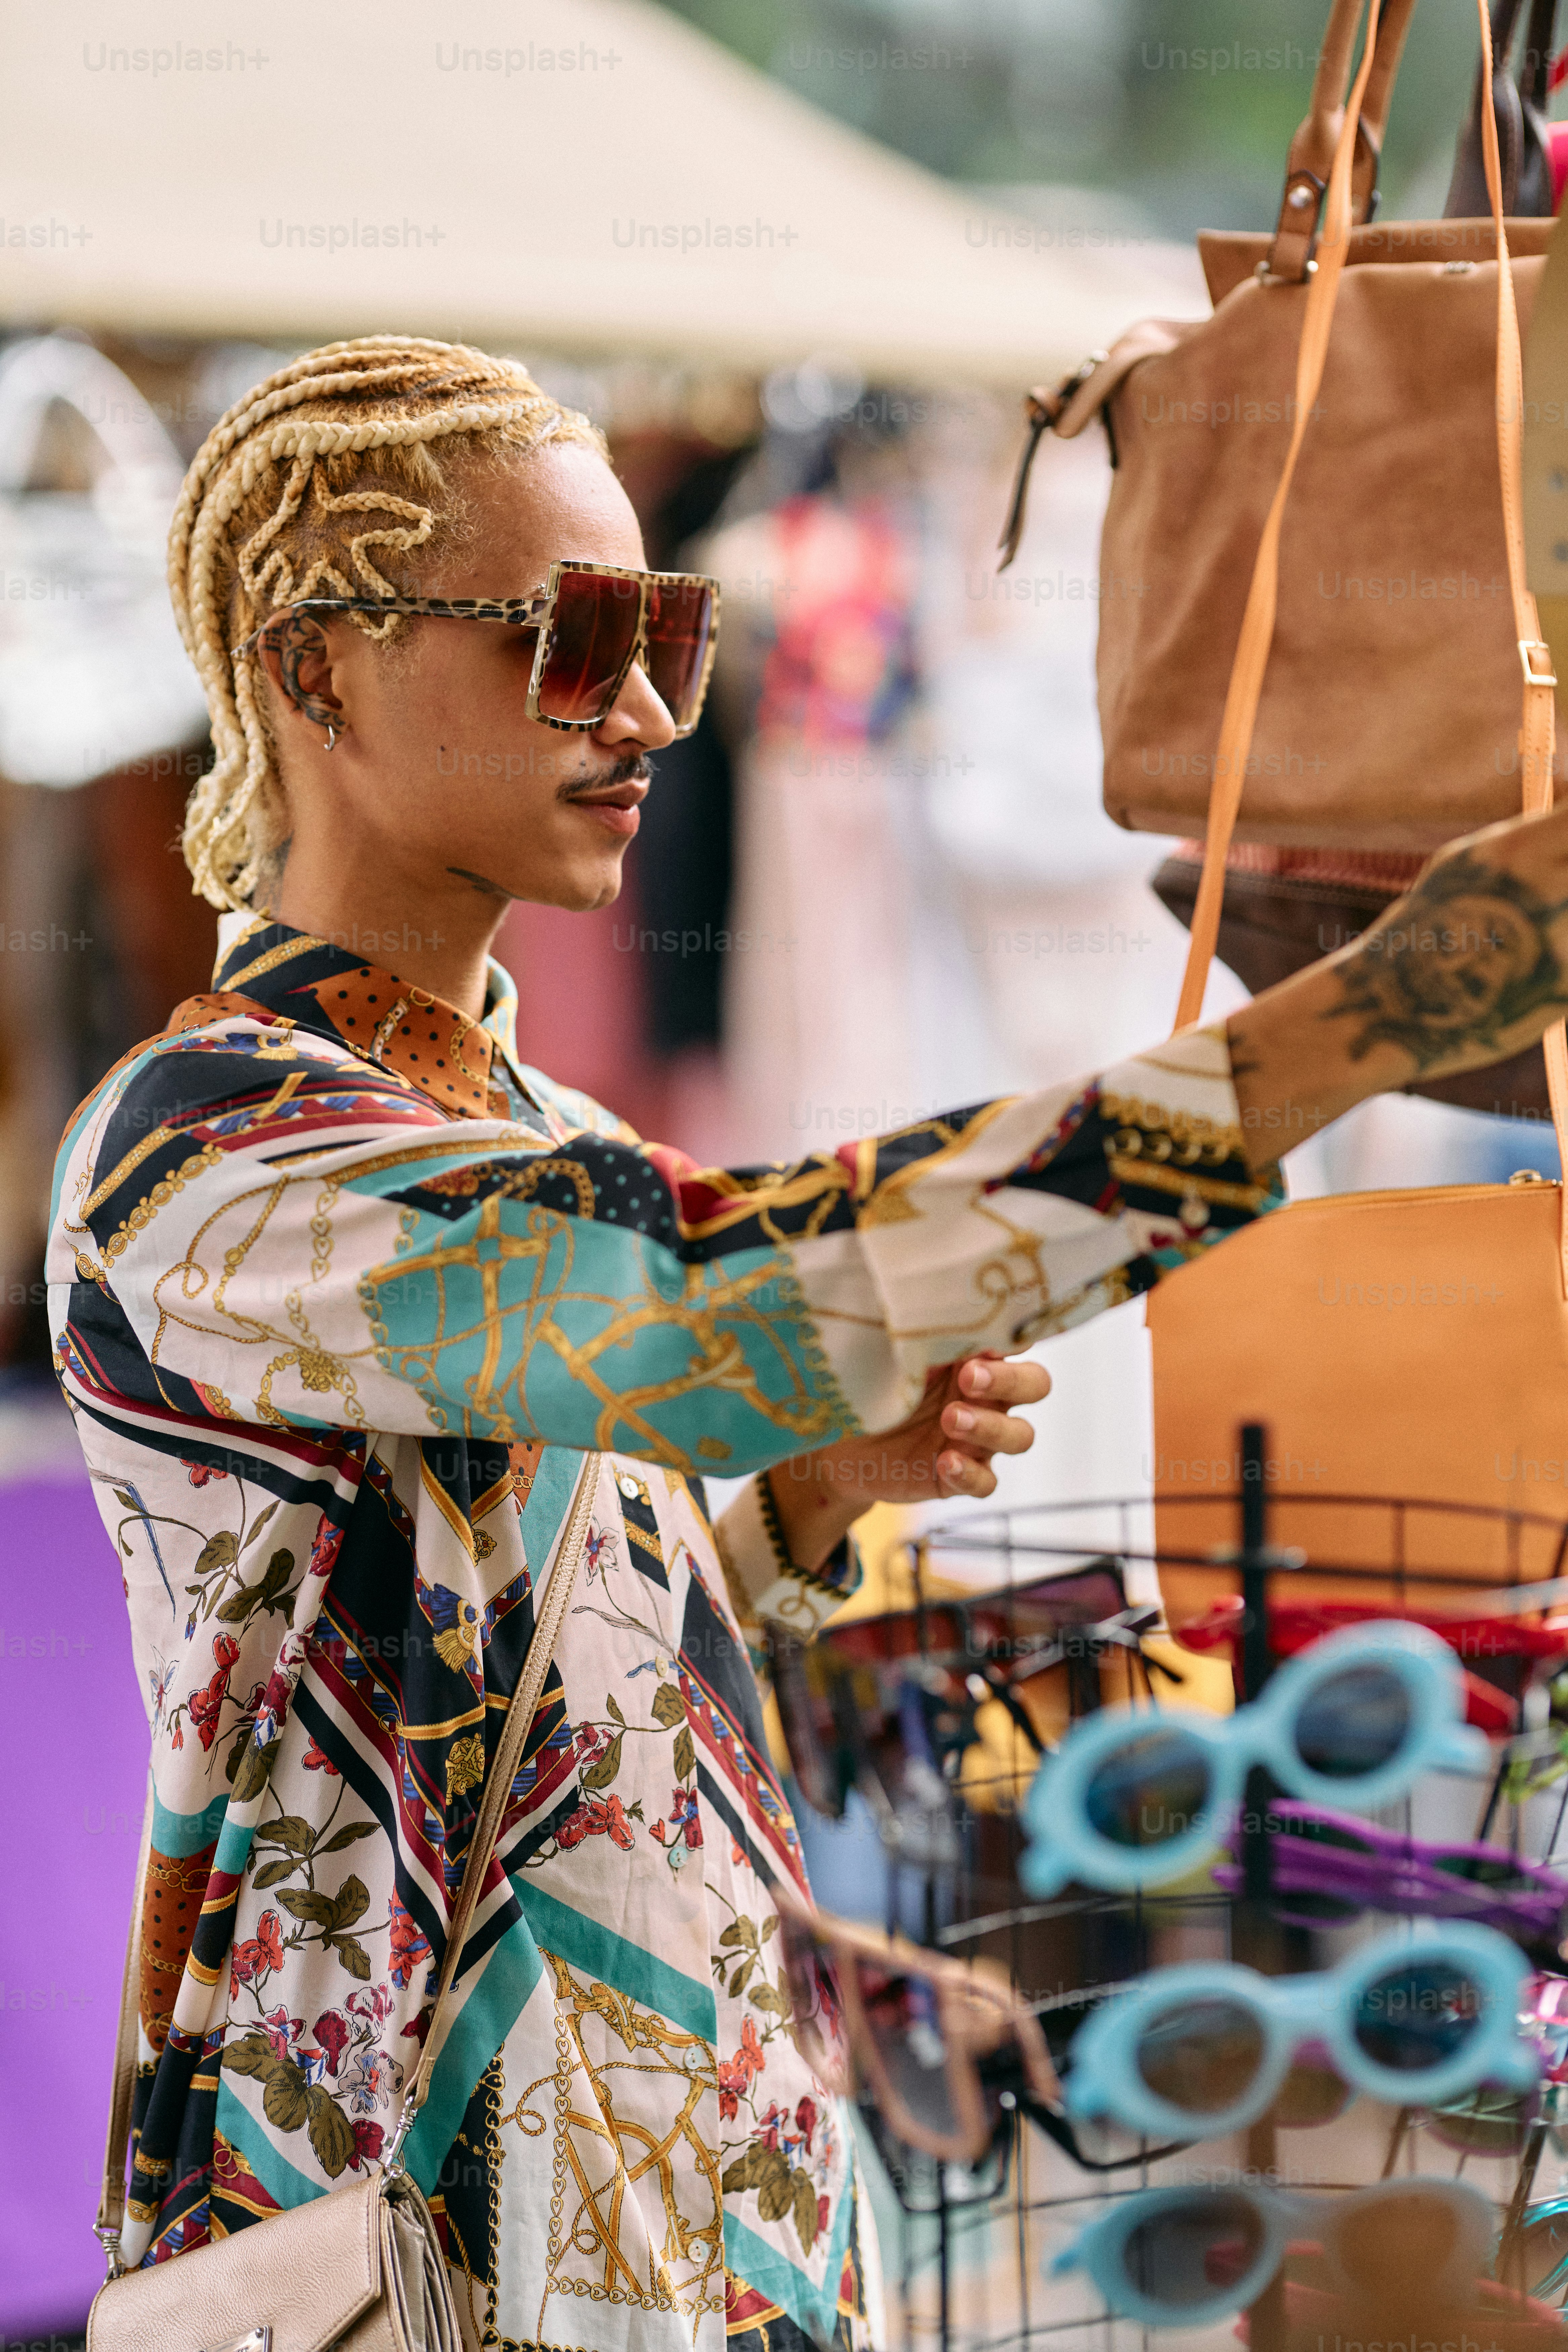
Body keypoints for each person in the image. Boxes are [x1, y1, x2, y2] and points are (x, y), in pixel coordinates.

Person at [47, 335, 1568, 2352]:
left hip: (692, 2208)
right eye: (573, 636)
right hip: (416, 2236)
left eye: (666, 623)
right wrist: (1354, 1026)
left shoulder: (541, 1145)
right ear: (316, 665)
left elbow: (539, 1642)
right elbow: (724, 1301)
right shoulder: (213, 1143)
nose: (659, 704)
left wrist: (796, 1508)